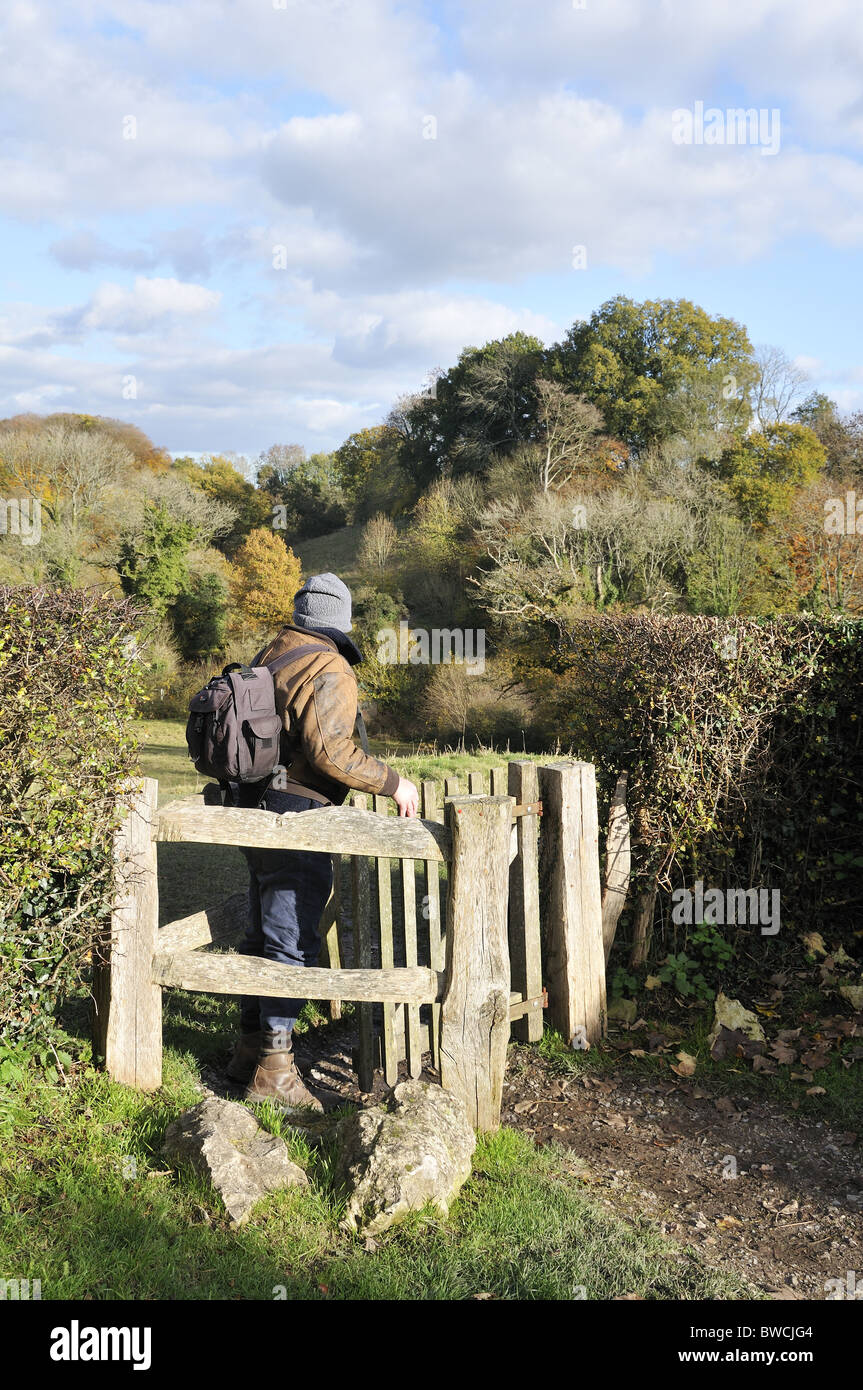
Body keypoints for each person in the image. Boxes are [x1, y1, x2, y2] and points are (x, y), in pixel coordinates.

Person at [225, 572, 418, 1112]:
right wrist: (392, 781)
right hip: (298, 812)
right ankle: (275, 1071)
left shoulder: (273, 652)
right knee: (290, 938)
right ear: (340, 620)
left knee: (261, 930)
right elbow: (331, 751)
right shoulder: (329, 666)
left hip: (253, 804)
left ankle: (248, 1049)